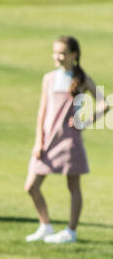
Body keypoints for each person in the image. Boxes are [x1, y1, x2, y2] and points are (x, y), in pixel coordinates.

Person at [24, 35, 105, 245]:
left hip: (70, 141)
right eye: (55, 53)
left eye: (62, 53)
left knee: (73, 186)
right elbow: (41, 113)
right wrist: (38, 141)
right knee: (31, 186)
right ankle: (45, 225)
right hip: (48, 140)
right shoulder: (48, 78)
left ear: (73, 55)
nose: (57, 57)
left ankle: (71, 231)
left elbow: (104, 103)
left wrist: (85, 122)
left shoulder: (82, 79)